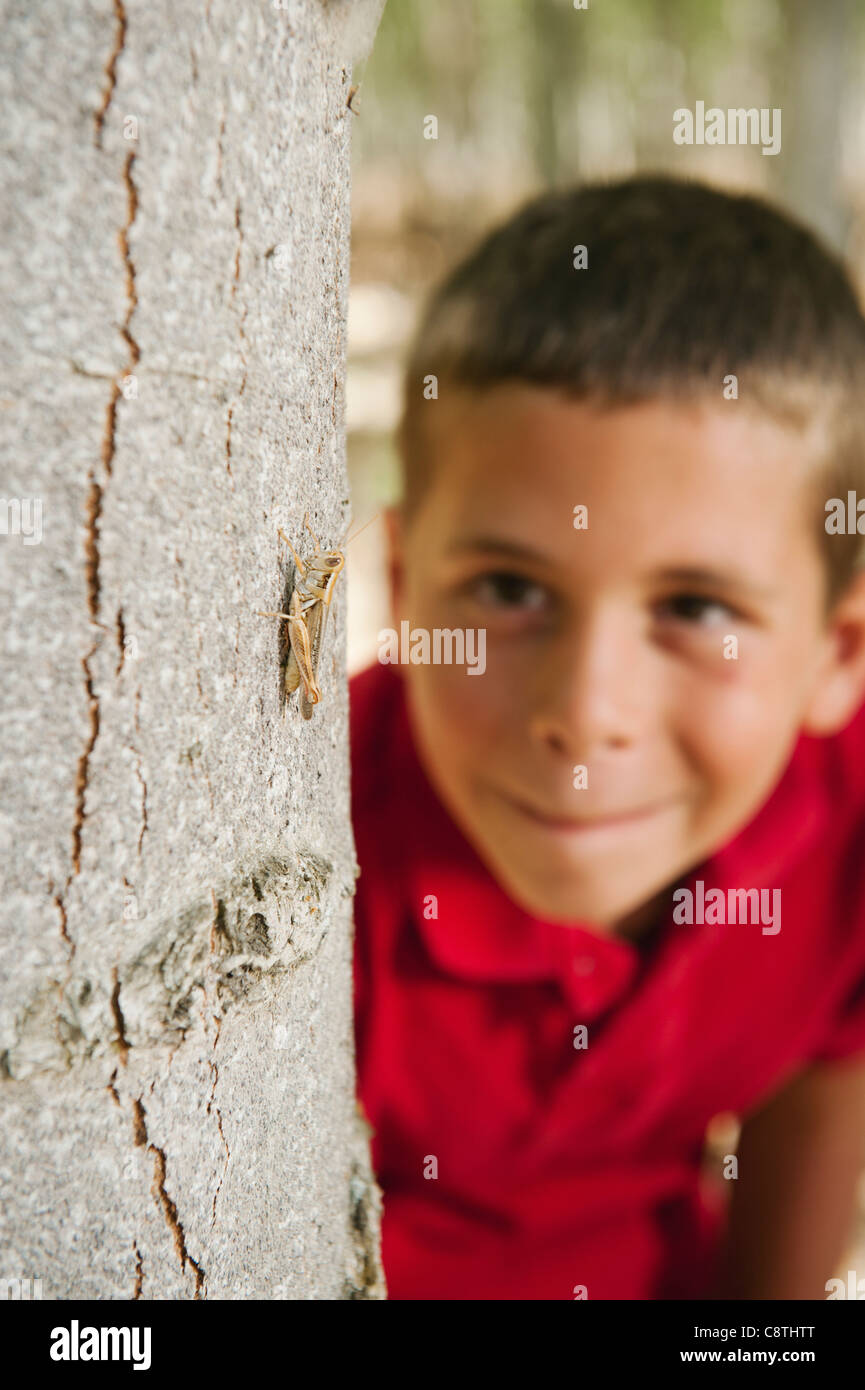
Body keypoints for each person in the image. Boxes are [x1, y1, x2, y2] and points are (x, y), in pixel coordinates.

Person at [350, 175, 865, 1299]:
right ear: (400, 587)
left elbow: (828, 1064)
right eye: (504, 587)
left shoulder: (845, 817)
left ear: (837, 654)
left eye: (696, 609)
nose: (585, 713)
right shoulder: (290, 866)